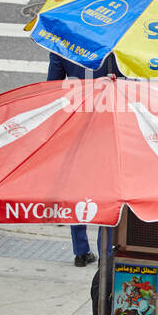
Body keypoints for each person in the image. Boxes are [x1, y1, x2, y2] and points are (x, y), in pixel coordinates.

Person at [47, 51, 120, 265]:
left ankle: (80, 251)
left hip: (76, 124)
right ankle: (105, 255)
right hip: (108, 125)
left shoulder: (62, 46)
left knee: (77, 187)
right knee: (107, 191)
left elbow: (52, 88)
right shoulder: (115, 44)